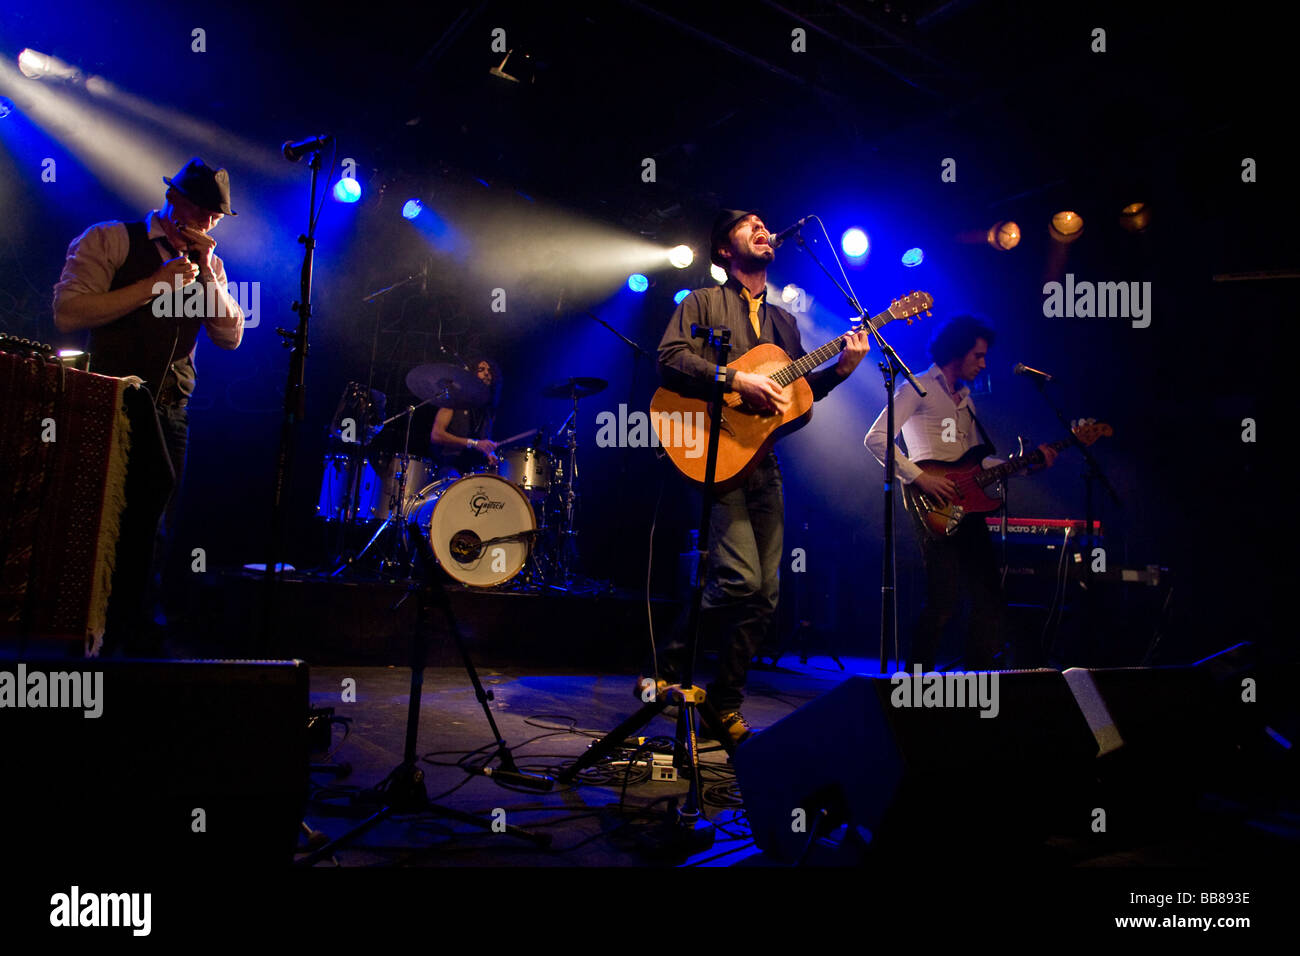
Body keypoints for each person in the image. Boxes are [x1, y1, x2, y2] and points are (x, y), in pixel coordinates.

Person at [655, 209, 871, 743]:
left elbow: (793, 397)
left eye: (762, 222)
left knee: (765, 595)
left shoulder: (785, 323)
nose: (762, 228)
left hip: (762, 462)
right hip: (713, 450)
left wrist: (841, 372)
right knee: (740, 578)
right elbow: (668, 359)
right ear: (725, 250)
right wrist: (733, 378)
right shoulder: (703, 301)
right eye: (747, 224)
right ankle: (668, 667)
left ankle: (723, 705)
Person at [52, 157, 244, 645]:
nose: (205, 224)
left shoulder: (211, 266)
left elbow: (230, 336)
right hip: (109, 401)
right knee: (100, 513)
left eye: (214, 218)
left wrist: (208, 276)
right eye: (199, 210)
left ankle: (134, 625)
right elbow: (68, 313)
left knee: (156, 517)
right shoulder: (112, 238)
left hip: (171, 407)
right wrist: (150, 287)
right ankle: (87, 620)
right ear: (173, 199)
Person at [863, 317, 1056, 671]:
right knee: (943, 597)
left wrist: (1028, 464)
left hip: (968, 504)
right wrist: (921, 478)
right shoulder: (917, 386)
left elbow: (978, 463)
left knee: (989, 596)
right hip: (931, 500)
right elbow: (876, 438)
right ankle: (915, 680)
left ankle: (978, 679)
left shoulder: (968, 402)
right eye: (978, 356)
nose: (983, 364)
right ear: (957, 351)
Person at [428, 357, 501, 471]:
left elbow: (483, 440)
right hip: (449, 465)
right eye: (481, 369)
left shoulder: (488, 412)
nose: (487, 373)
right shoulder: (454, 402)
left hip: (472, 468)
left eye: (489, 371)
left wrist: (490, 453)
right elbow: (436, 435)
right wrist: (473, 443)